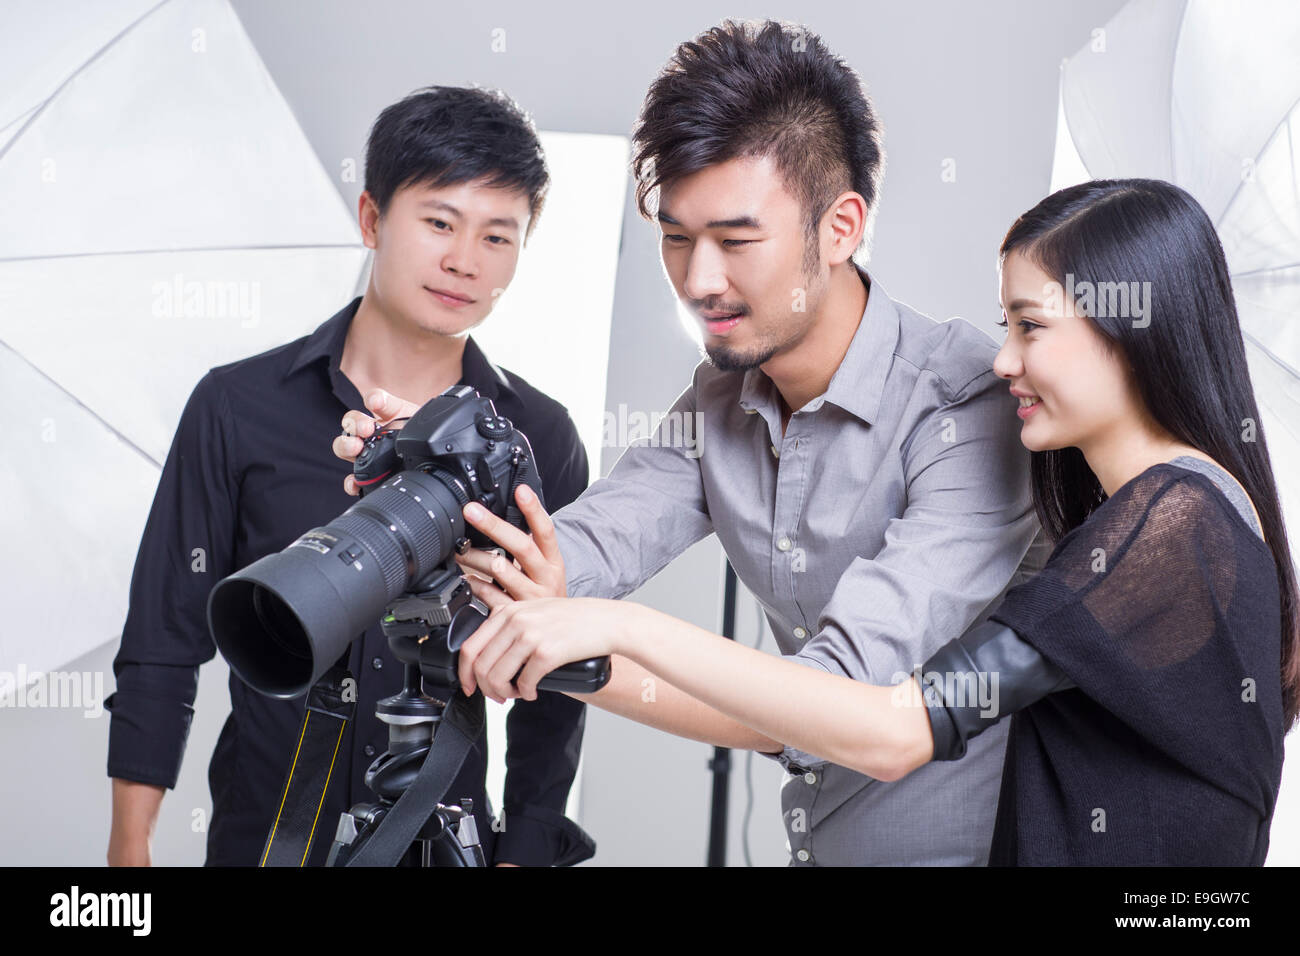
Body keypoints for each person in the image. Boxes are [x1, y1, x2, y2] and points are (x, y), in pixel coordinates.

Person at [407, 178, 1299, 865]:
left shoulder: (1174, 524)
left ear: (1130, 328)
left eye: (1033, 327)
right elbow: (820, 714)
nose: (1004, 358)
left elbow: (887, 728)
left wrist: (621, 624)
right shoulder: (1148, 516)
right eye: (1006, 324)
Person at [336, 19, 1052, 866]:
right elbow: (582, 549)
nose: (700, 282)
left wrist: (605, 628)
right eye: (677, 238)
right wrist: (439, 490)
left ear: (842, 225)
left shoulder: (968, 405)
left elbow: (849, 694)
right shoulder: (721, 397)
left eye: (737, 241)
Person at [106, 86, 595, 867]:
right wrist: (129, 852)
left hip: (447, 838)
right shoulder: (236, 407)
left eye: (498, 238)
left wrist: (523, 852)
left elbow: (561, 677)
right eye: (439, 222)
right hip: (263, 838)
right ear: (373, 219)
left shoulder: (537, 438)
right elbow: (162, 643)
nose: (465, 262)